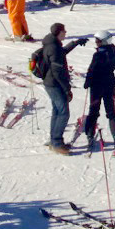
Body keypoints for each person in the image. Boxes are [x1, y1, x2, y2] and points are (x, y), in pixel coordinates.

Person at [37, 22, 89, 154]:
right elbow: (58, 72)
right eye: (64, 31)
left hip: (50, 82)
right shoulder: (53, 47)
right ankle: (56, 143)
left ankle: (54, 139)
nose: (65, 32)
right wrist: (67, 88)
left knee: (57, 110)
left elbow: (62, 53)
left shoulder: (52, 44)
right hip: (54, 84)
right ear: (59, 32)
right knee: (64, 113)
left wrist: (75, 43)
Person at [80, 30, 115, 150]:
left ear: (103, 42)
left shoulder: (98, 55)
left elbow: (92, 69)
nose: (96, 42)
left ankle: (90, 135)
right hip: (109, 84)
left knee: (93, 110)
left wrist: (87, 82)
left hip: (97, 86)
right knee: (111, 111)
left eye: (98, 40)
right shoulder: (114, 52)